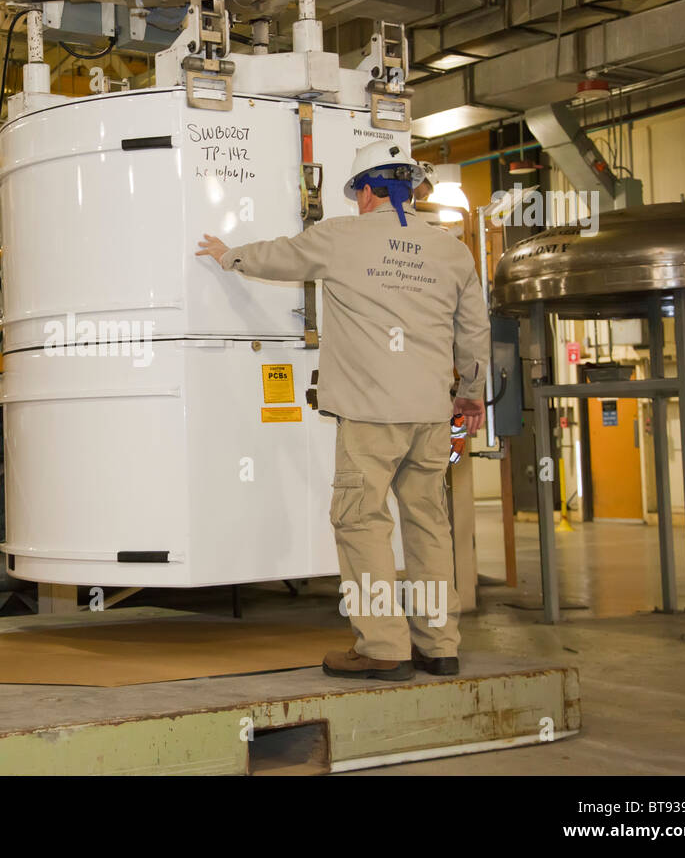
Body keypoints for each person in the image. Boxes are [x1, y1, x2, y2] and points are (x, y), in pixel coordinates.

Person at [196, 141, 490, 682]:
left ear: (371, 190)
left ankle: (382, 647)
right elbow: (473, 331)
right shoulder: (452, 250)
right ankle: (440, 645)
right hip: (430, 412)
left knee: (362, 523)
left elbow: (279, 255)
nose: (356, 202)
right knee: (428, 524)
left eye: (358, 193)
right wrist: (470, 392)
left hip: (369, 413)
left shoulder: (341, 236)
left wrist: (227, 254)